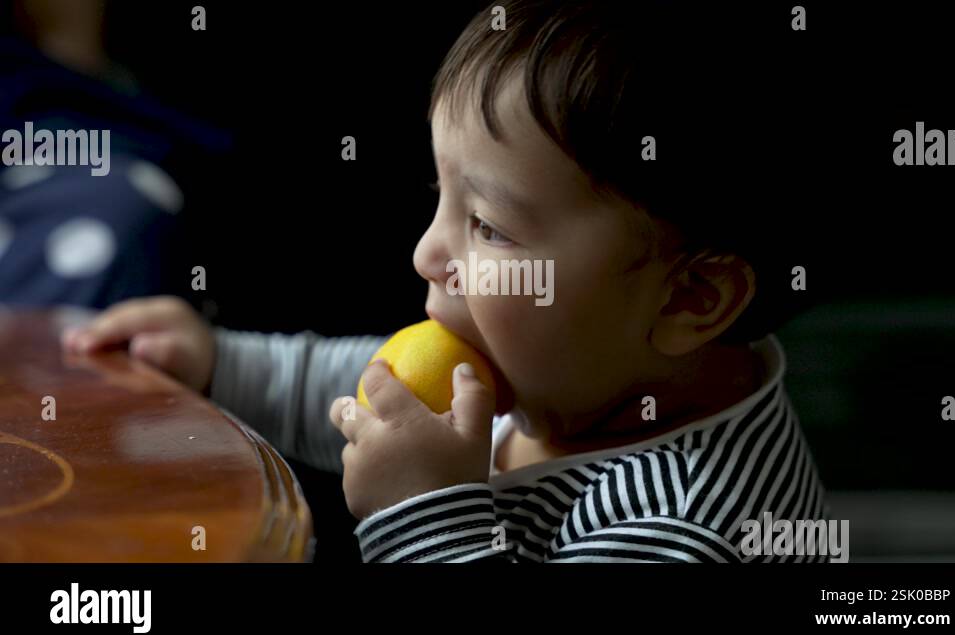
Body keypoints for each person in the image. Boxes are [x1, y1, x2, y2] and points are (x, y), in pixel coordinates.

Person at [61, 0, 829, 562]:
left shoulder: (686, 529)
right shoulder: (574, 372)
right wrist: (215, 364)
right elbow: (355, 388)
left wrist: (425, 516)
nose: (428, 253)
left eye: (489, 226)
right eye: (440, 197)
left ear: (688, 298)